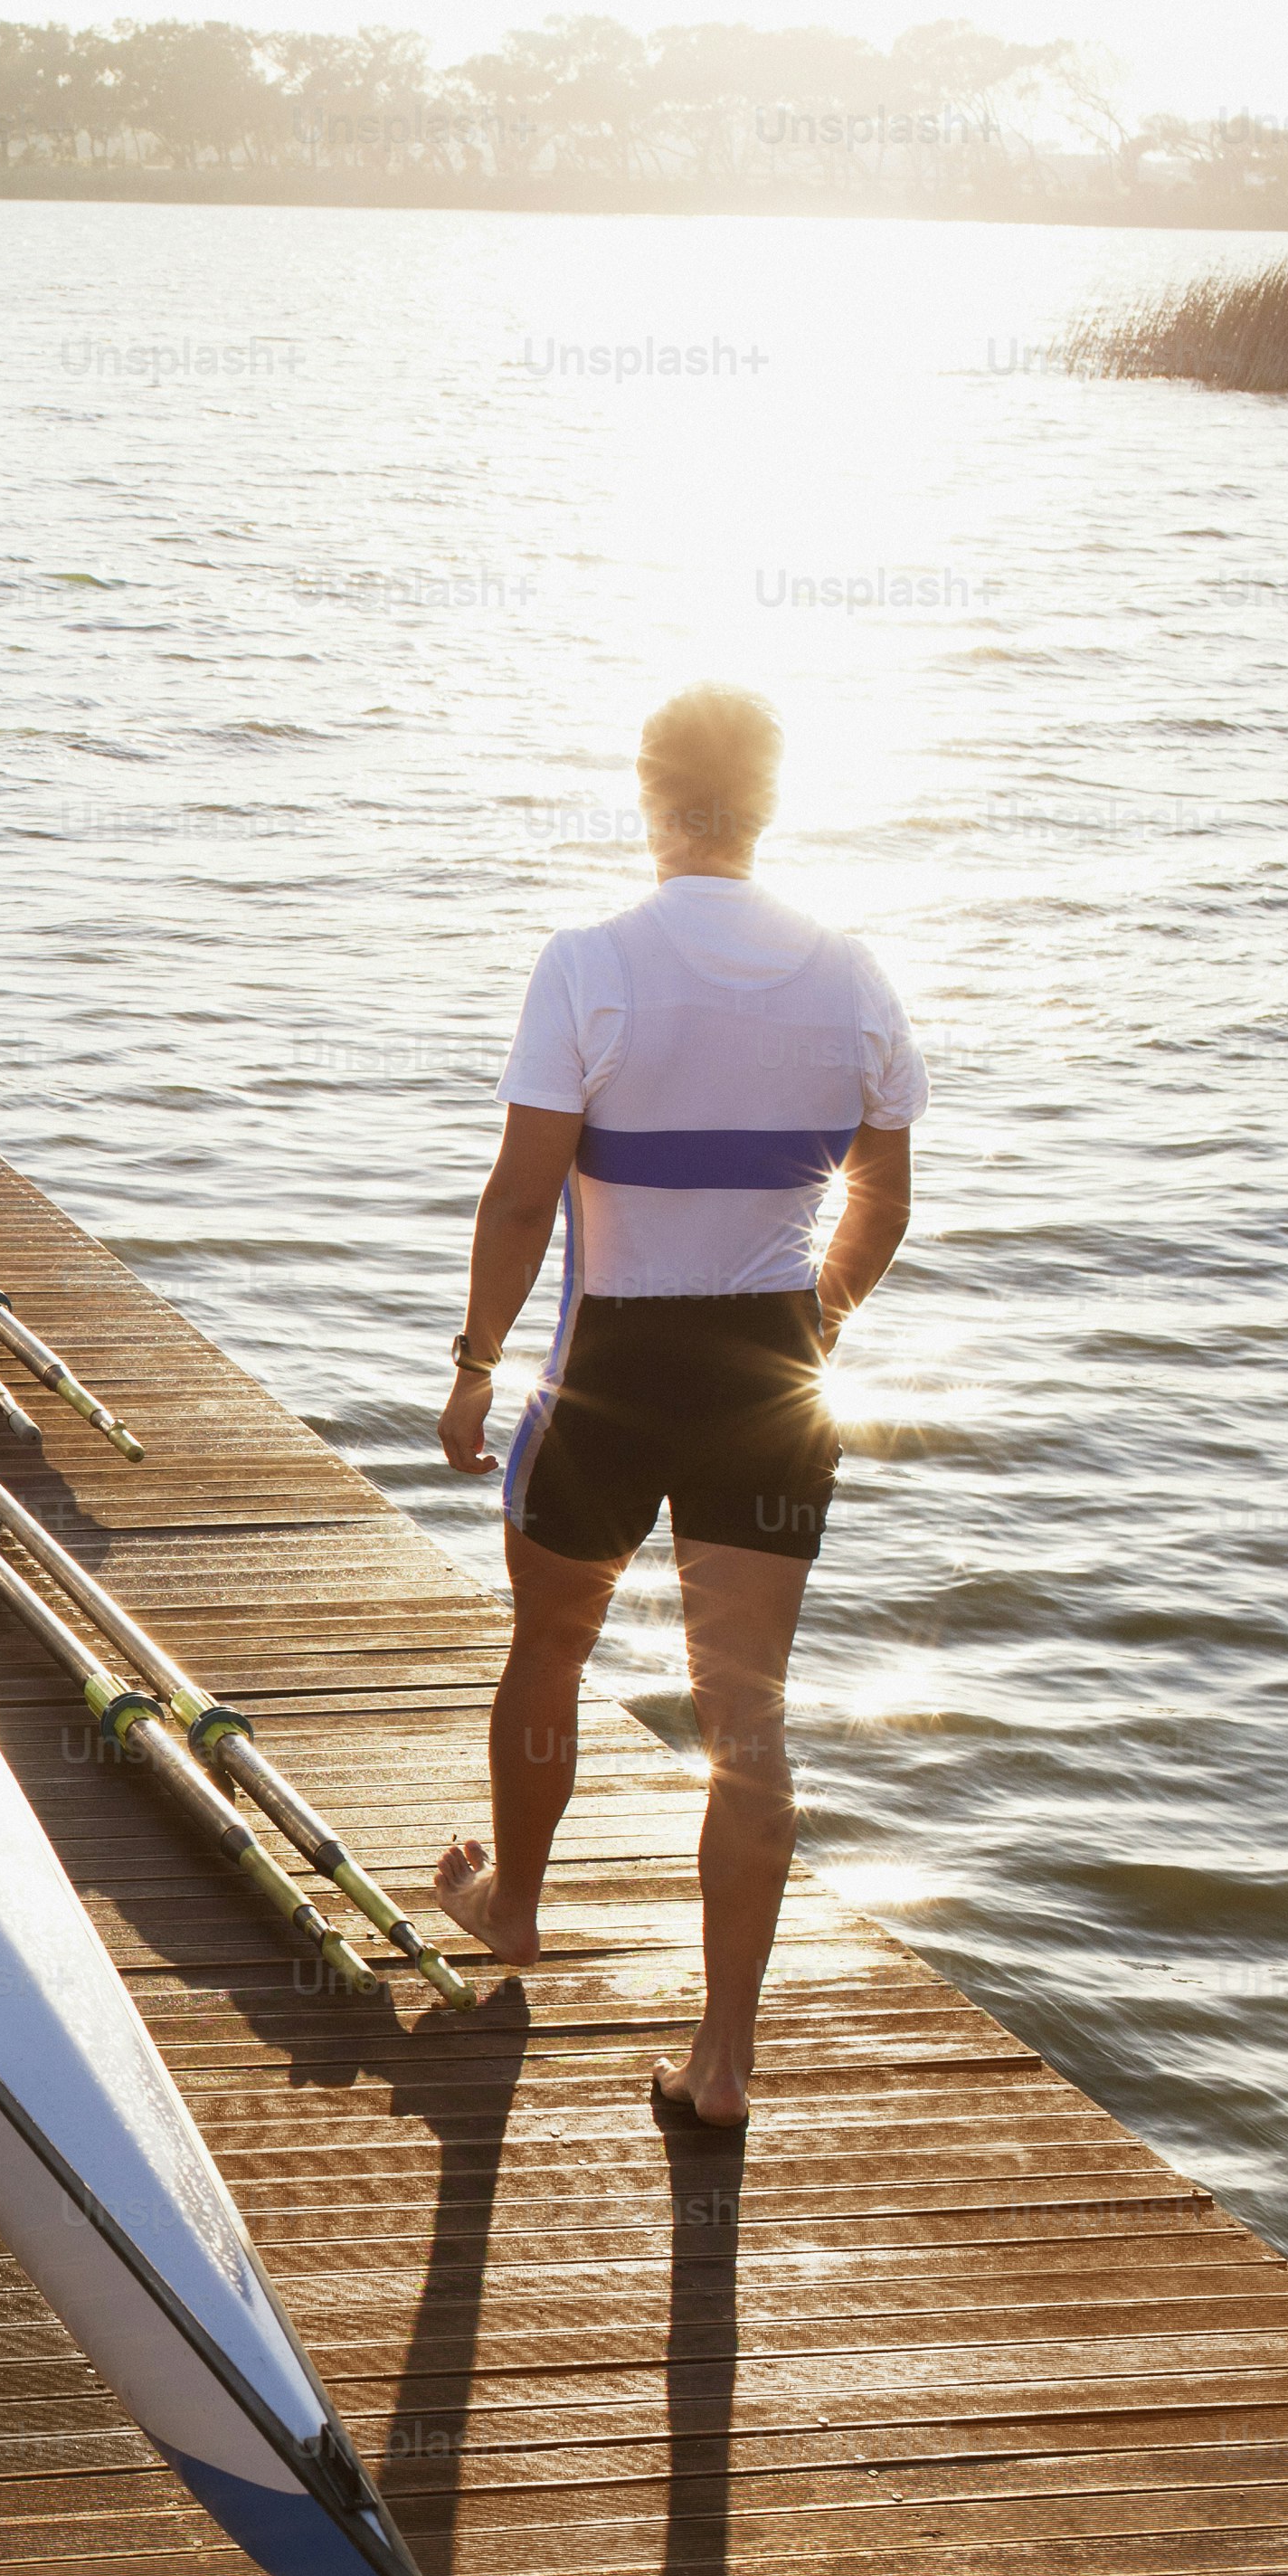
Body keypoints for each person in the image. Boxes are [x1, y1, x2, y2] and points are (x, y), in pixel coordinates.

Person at [429, 682, 922, 2133]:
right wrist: (811, 1316)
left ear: (650, 793)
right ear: (770, 800)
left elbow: (525, 1198)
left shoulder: (591, 967)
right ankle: (721, 2061)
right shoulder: (852, 976)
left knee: (553, 1646)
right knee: (748, 1715)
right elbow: (883, 1200)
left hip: (610, 1371)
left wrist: (472, 1363)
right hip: (764, 1378)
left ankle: (514, 1908)